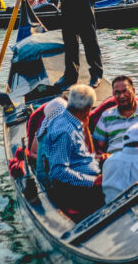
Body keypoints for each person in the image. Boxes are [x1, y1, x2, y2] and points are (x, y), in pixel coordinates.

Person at [42, 84, 104, 216]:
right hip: (75, 190)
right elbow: (58, 171)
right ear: (87, 109)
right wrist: (92, 181)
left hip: (84, 177)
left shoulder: (71, 121)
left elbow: (83, 155)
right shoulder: (65, 131)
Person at [93, 76, 138, 154]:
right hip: (114, 161)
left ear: (133, 91)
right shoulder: (106, 115)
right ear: (113, 94)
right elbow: (99, 146)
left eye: (125, 91)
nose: (122, 96)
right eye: (117, 93)